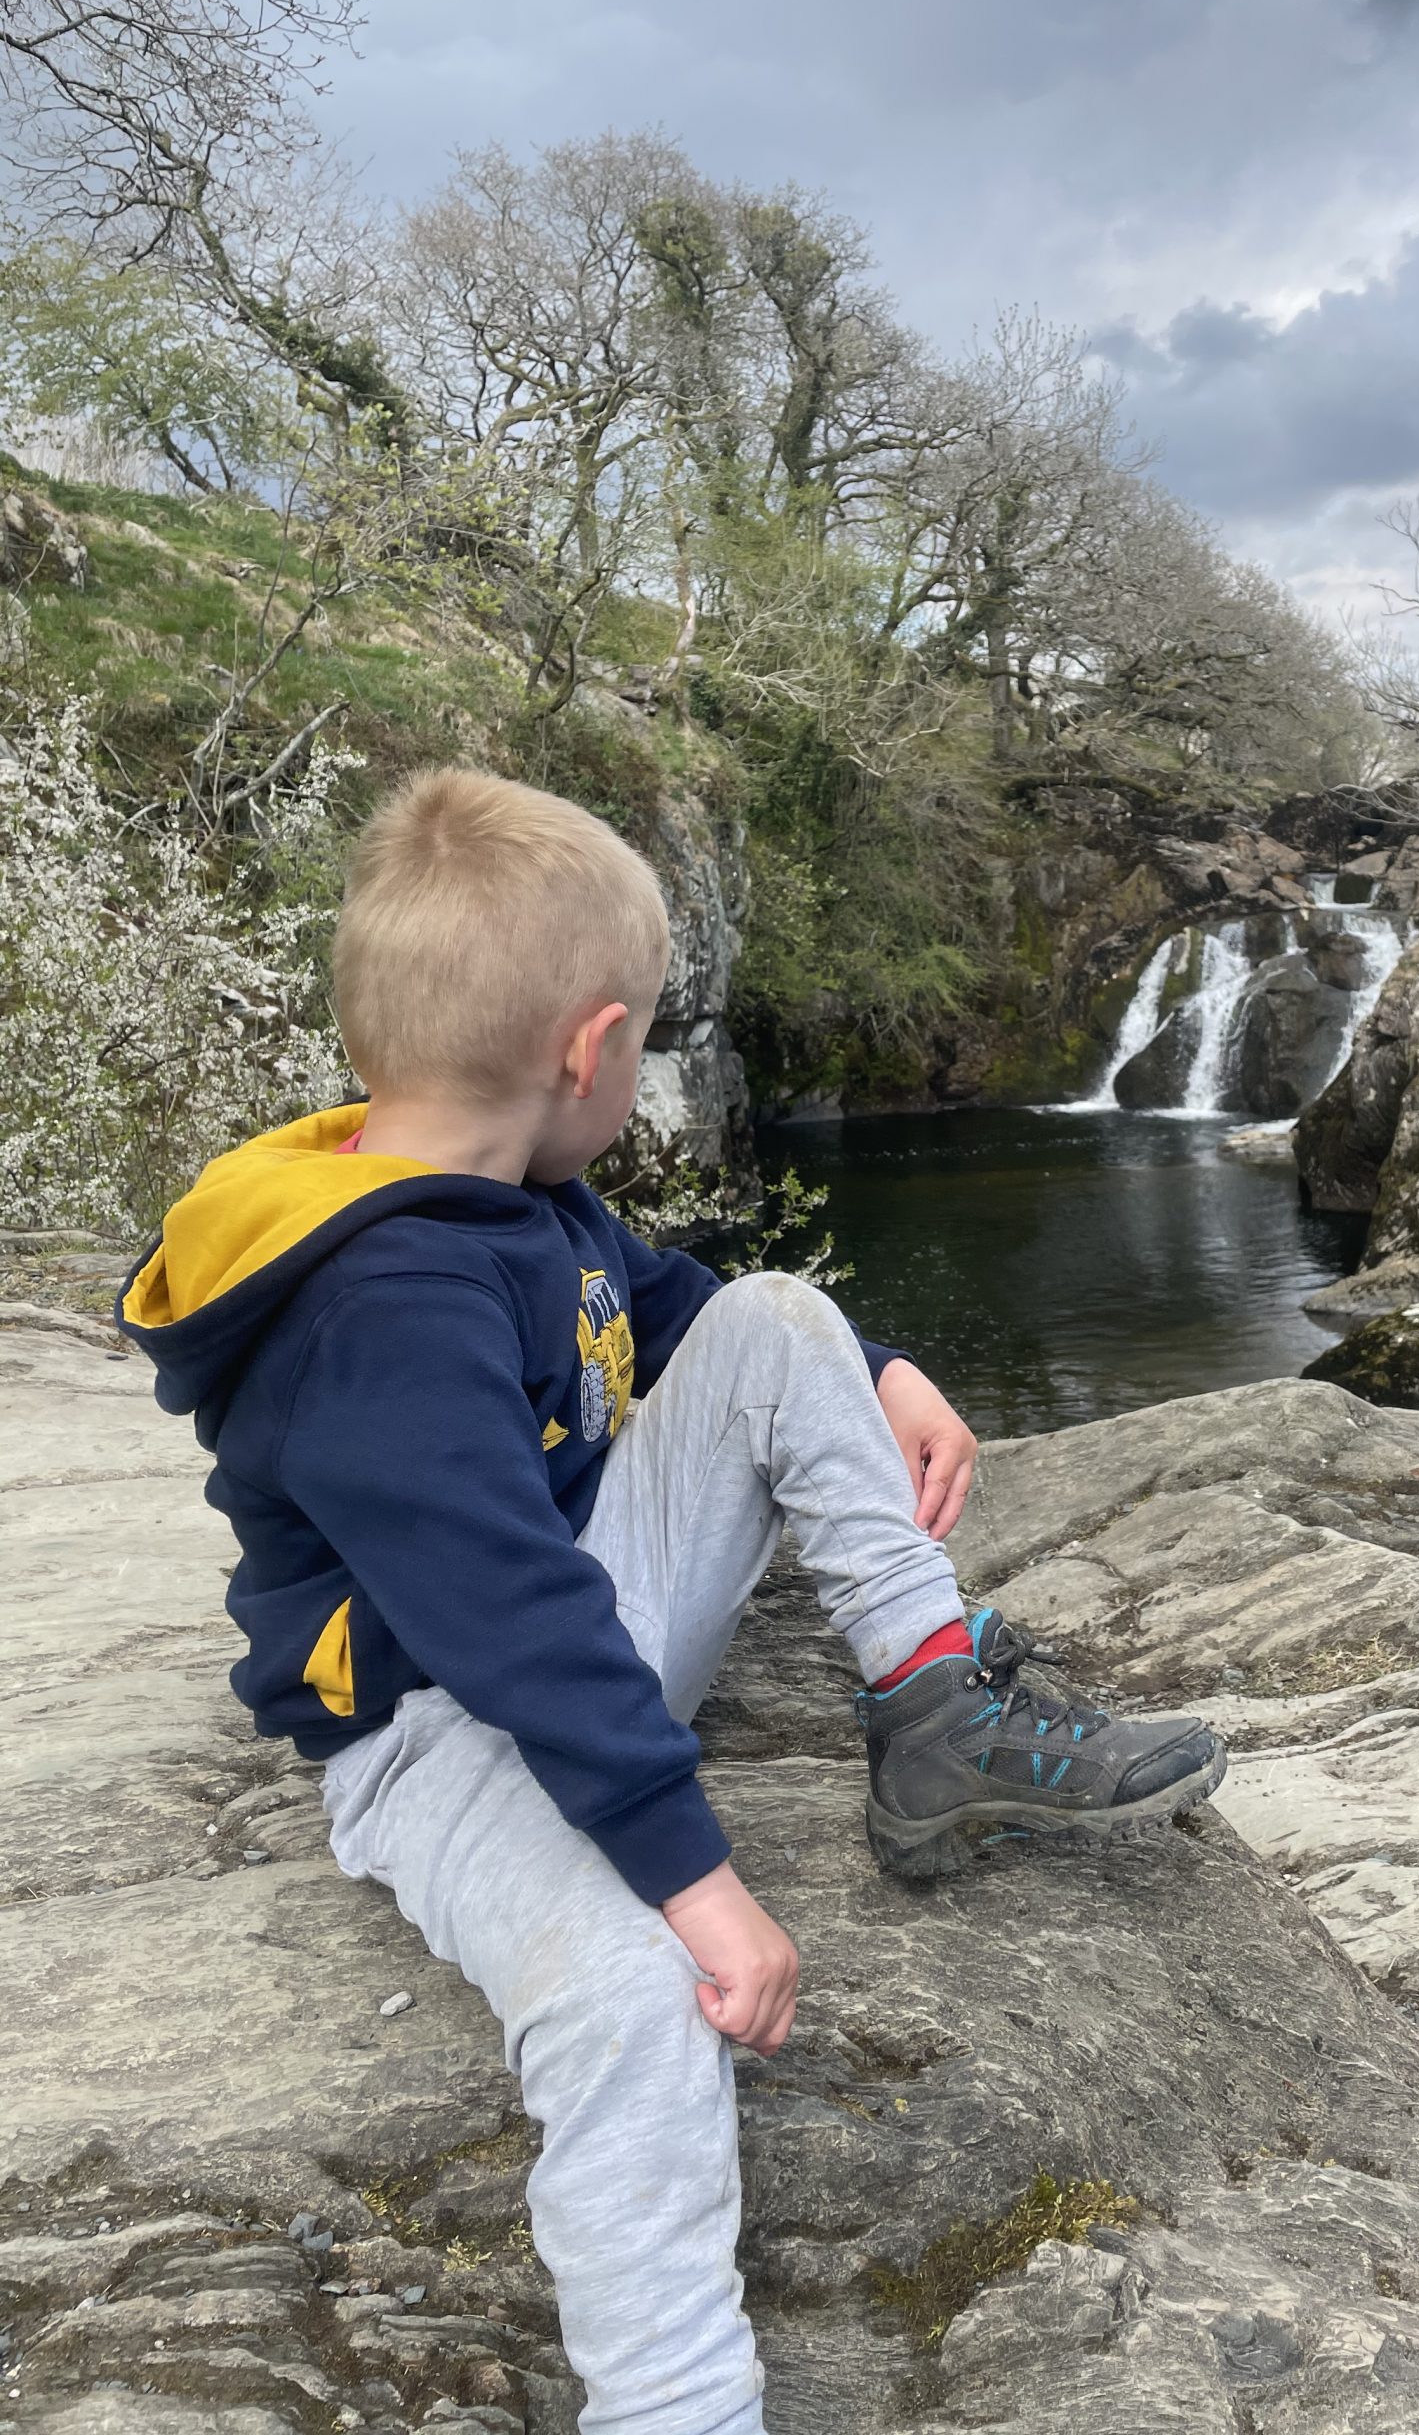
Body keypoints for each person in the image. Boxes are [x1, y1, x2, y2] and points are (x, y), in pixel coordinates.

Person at [117, 768, 1226, 2435]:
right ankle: (678, 2410)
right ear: (595, 1048)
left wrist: (882, 1371)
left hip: (578, 1619)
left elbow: (684, 1304)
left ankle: (933, 1711)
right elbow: (504, 1619)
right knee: (639, 2000)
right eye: (643, 1055)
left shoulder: (517, 1193)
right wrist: (696, 1881)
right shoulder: (377, 1307)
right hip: (440, 1728)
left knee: (779, 1309)